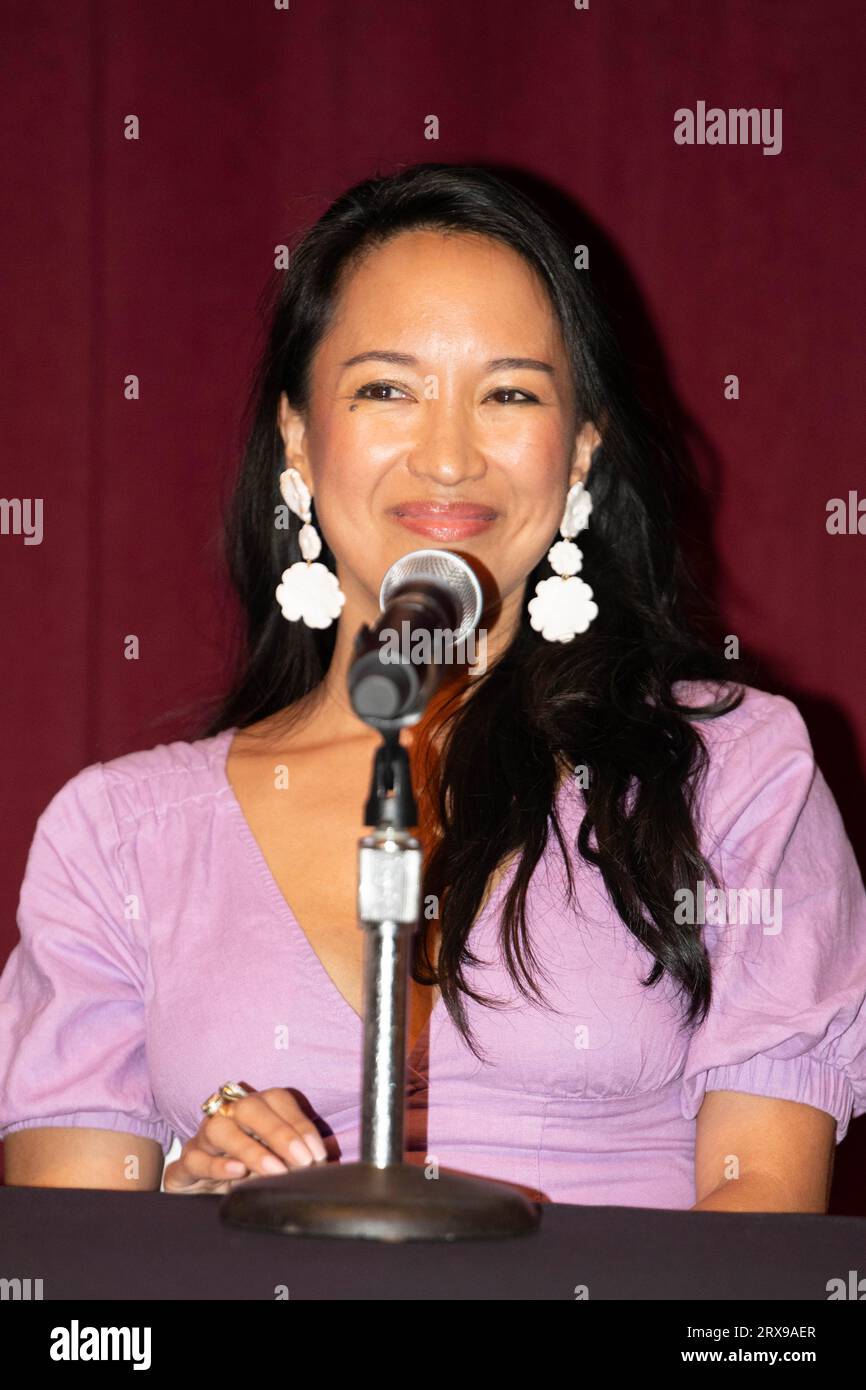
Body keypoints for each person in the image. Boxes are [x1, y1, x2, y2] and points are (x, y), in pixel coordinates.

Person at [2, 163, 865, 1211]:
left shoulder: (730, 770)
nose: (448, 458)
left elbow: (756, 1266)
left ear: (581, 451)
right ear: (296, 437)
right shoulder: (118, 834)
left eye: (508, 393)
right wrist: (182, 1224)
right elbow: (75, 1301)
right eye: (385, 389)